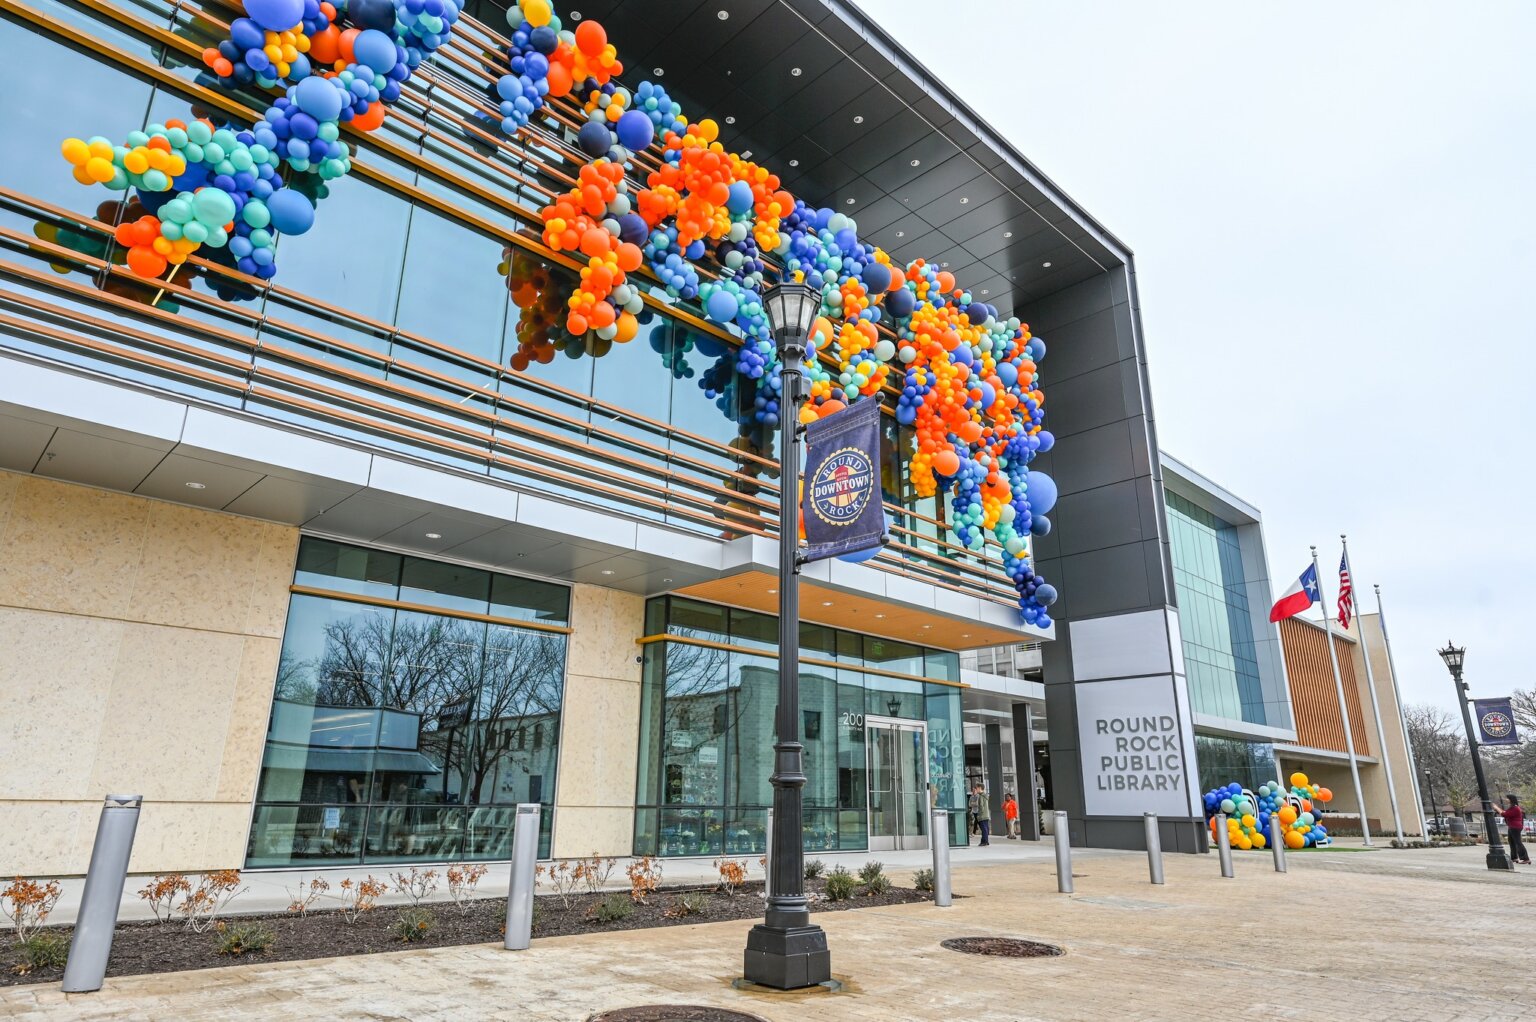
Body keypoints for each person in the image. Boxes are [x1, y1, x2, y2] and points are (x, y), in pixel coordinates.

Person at [1502, 794, 1530, 865]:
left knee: (1518, 842)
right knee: (1511, 842)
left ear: (1511, 799)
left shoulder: (1515, 808)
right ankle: (1514, 858)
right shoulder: (1512, 807)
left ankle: (1525, 858)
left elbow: (1505, 814)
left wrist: (1497, 808)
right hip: (1512, 827)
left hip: (1515, 827)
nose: (1506, 799)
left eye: (1507, 798)